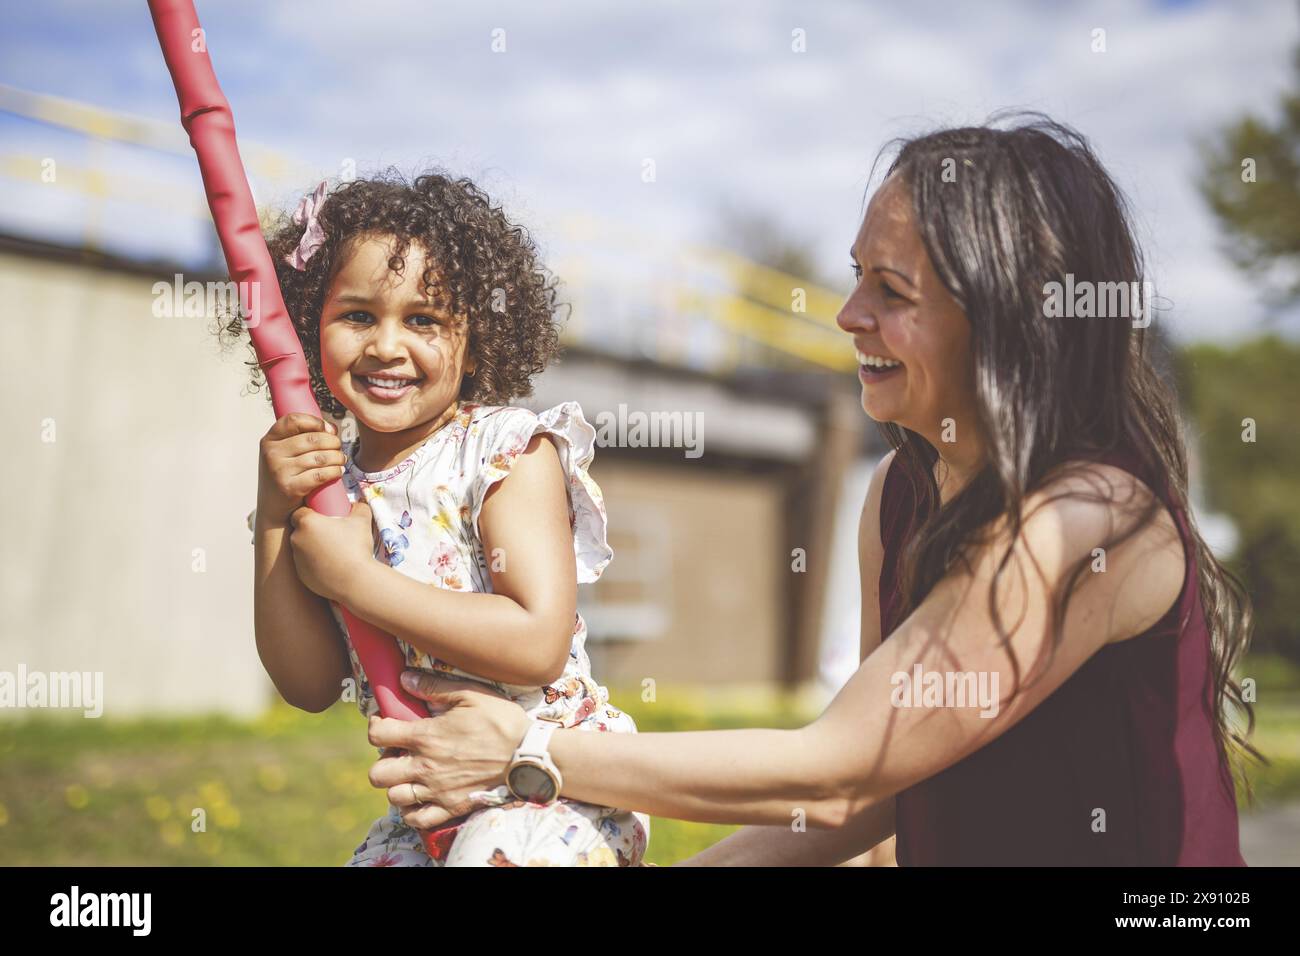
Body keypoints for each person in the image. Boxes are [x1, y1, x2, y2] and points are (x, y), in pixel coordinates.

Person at [364, 115, 1260, 866]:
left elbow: (838, 766)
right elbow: (874, 792)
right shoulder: (899, 491)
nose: (848, 315)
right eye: (855, 273)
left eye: (892, 289)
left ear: (1007, 319)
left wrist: (532, 753)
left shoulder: (1088, 520)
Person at [241, 170, 648, 867]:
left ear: (477, 335)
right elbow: (308, 685)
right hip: (428, 806)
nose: (387, 347)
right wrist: (277, 513)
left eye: (423, 320)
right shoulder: (329, 489)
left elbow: (534, 642)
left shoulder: (504, 454)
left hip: (552, 784)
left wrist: (356, 580)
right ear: (312, 324)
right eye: (358, 315)